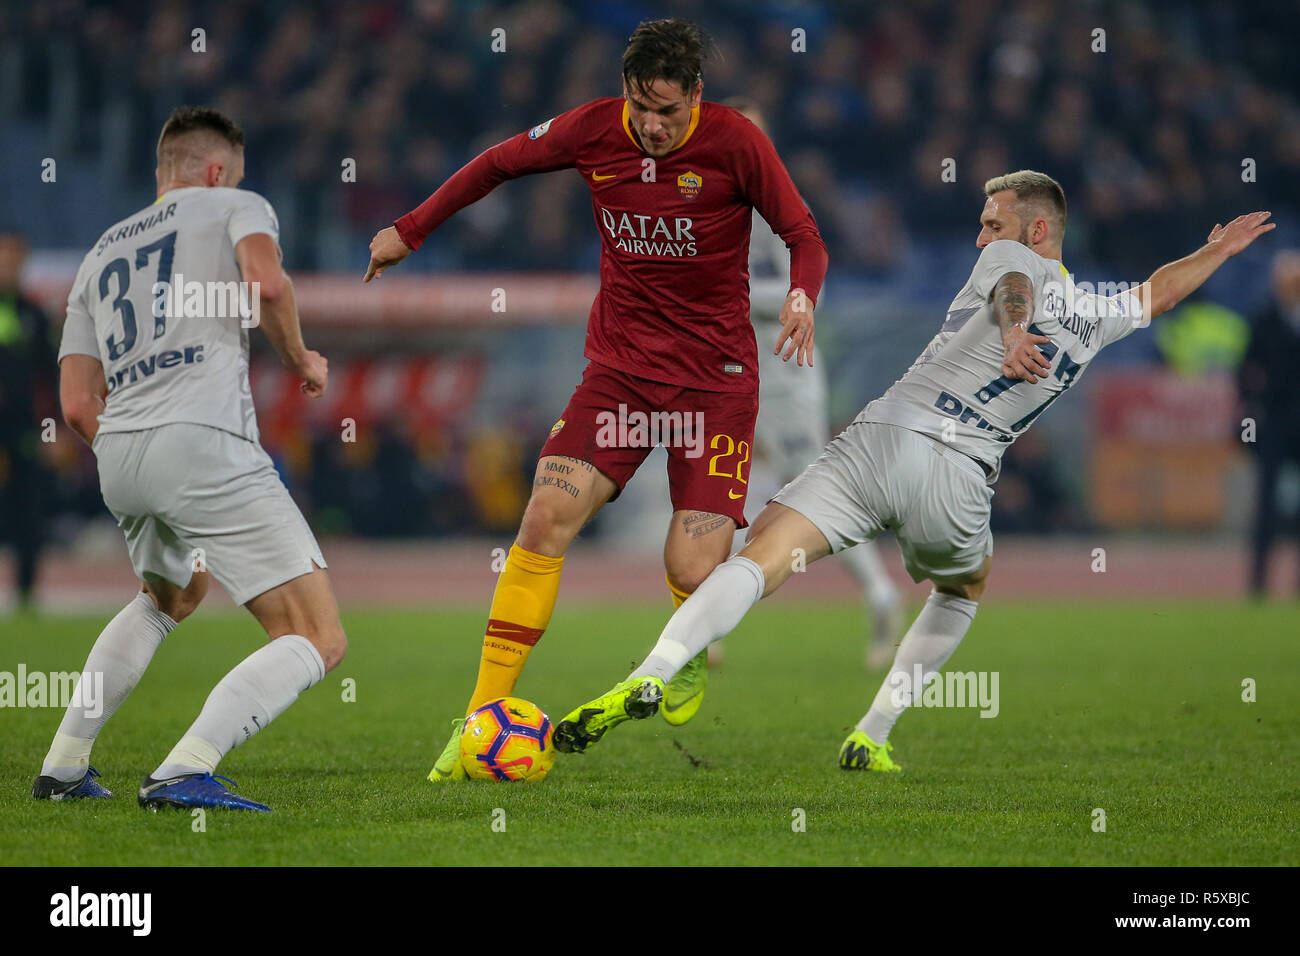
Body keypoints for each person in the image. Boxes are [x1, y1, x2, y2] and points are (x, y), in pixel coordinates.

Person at [552, 171, 1274, 770]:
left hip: (882, 438)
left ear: (1037, 230)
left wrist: (1016, 332)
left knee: (762, 553)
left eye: (993, 223)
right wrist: (1217, 253)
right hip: (960, 475)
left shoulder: (1009, 258)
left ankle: (655, 670)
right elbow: (1157, 294)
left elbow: (1015, 287)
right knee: (962, 587)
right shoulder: (1094, 313)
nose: (982, 237)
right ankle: (873, 732)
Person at [364, 18, 827, 782]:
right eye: (641, 107)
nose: (652, 125)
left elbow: (804, 234)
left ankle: (687, 648)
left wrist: (803, 296)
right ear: (625, 92)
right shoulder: (591, 130)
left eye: (667, 112)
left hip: (715, 383)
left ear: (696, 97)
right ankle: (477, 717)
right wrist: (411, 230)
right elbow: (496, 163)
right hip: (621, 374)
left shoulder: (737, 141)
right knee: (544, 517)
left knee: (691, 565)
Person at [33, 106, 345, 811]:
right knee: (315, 635)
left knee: (171, 595)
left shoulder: (99, 253)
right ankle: (184, 769)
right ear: (216, 170)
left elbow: (77, 403)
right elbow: (267, 282)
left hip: (119, 453)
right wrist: (301, 358)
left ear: (161, 171)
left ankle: (63, 768)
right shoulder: (236, 203)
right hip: (203, 439)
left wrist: (136, 453)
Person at [725, 97, 903, 670]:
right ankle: (705, 621)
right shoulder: (707, 204)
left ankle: (880, 593)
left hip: (784, 373)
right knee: (715, 486)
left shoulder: (779, 207)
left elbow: (801, 294)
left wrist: (726, 295)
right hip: (729, 372)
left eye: (755, 134)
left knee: (809, 495)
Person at [0, 231, 57, 610]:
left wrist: (52, 435)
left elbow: (49, 381)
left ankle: (25, 593)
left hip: (23, 432)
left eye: (14, 259)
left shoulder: (34, 314)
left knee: (28, 511)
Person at [1238, 249, 1300, 596]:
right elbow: (1245, 371)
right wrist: (1253, 407)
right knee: (1266, 505)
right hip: (1274, 422)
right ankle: (1258, 583)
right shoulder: (1263, 320)